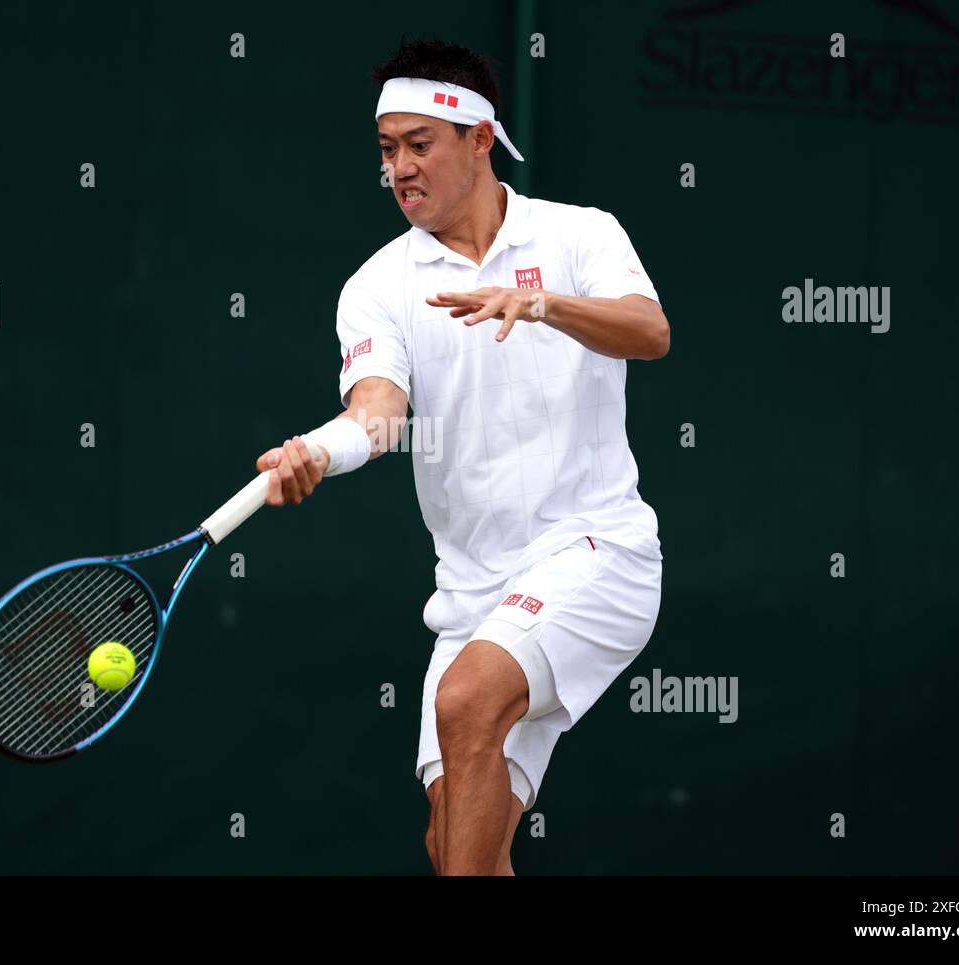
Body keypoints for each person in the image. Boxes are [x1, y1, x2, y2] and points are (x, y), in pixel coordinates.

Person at [256, 39, 669, 875]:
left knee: (468, 698)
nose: (400, 169)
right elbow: (376, 414)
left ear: (480, 139)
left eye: (420, 144)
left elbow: (649, 330)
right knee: (455, 847)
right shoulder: (376, 285)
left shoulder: (581, 234)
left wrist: (543, 302)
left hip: (597, 552)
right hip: (472, 594)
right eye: (386, 150)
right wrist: (316, 453)